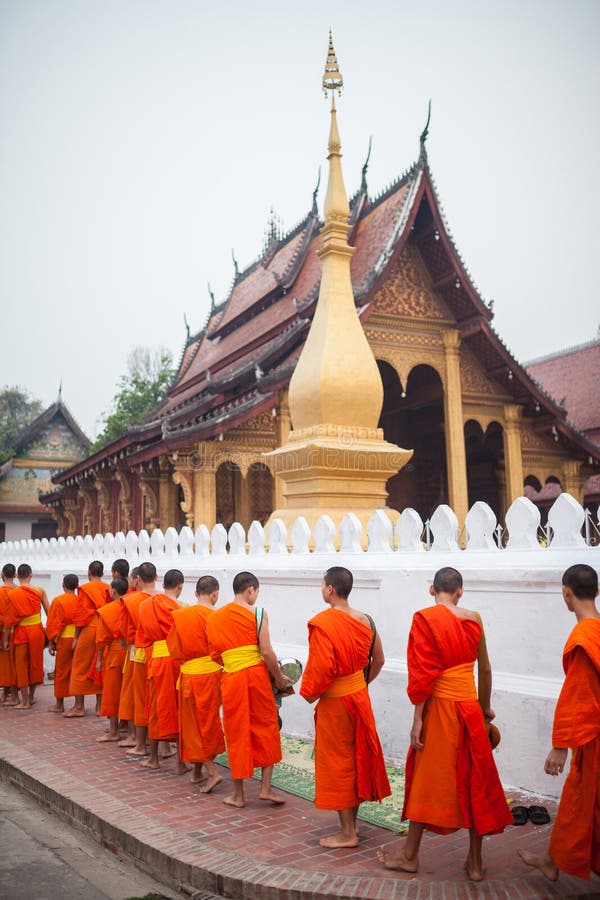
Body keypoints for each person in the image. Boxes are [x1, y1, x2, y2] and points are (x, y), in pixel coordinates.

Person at [378, 566, 512, 881]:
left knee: (426, 778)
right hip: (469, 709)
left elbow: (423, 674)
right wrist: (485, 708)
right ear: (460, 591)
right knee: (475, 780)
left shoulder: (425, 619)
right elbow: (486, 669)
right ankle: (476, 862)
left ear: (431, 590)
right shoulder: (474, 618)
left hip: (439, 710)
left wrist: (417, 719)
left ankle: (410, 855)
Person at [518, 563, 600, 882]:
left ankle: (554, 861)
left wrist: (560, 746)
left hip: (593, 737)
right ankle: (552, 860)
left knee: (581, 802)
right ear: (596, 591)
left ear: (566, 592)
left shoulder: (583, 637)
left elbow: (578, 694)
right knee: (583, 803)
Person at [299, 566, 391, 848]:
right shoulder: (366, 620)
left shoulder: (323, 624)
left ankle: (348, 833)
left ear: (330, 589)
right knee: (358, 757)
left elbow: (322, 668)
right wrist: (358, 685)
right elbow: (379, 660)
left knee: (338, 761)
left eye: (322, 584)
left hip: (337, 703)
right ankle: (352, 825)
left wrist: (308, 692)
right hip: (359, 698)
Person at [207, 571, 290, 808]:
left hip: (232, 677)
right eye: (256, 592)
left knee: (236, 731)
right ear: (250, 590)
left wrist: (235, 664)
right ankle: (265, 789)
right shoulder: (258, 613)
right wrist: (278, 677)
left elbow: (215, 654)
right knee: (266, 726)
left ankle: (238, 795)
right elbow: (266, 651)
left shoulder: (215, 618)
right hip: (256, 677)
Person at [167, 575, 225, 792]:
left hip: (192, 675)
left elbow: (174, 649)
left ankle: (212, 772)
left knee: (194, 726)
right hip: (213, 674)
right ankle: (197, 772)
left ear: (195, 593)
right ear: (215, 594)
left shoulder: (182, 615)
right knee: (209, 723)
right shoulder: (219, 616)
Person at [136, 568, 184, 771]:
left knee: (155, 707)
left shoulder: (146, 606)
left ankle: (154, 758)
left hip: (156, 659)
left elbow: (142, 638)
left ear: (163, 584)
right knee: (178, 707)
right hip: (175, 660)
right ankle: (181, 763)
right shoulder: (181, 608)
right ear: (180, 586)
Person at [115, 562, 155, 753]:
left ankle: (138, 741)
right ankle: (155, 741)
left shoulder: (130, 600)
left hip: (137, 651)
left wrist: (127, 645)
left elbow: (121, 630)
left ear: (138, 579)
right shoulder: (163, 600)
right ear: (156, 578)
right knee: (154, 696)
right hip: (158, 653)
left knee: (137, 696)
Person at [65, 560, 109, 717]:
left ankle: (79, 707)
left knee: (79, 665)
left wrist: (76, 636)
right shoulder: (108, 588)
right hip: (104, 628)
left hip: (89, 628)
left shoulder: (84, 588)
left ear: (89, 572)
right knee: (100, 666)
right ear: (103, 574)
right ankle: (99, 707)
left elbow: (81, 613)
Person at [2, 563, 49, 709]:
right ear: (30, 575)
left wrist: (5, 639)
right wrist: (51, 635)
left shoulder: (13, 594)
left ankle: (25, 701)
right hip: (36, 630)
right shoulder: (39, 590)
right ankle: (31, 696)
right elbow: (49, 612)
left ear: (18, 575)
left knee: (20, 665)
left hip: (21, 631)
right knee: (35, 663)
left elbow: (9, 621)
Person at [95, 576, 128, 742]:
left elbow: (102, 640)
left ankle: (114, 731)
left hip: (115, 653)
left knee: (113, 693)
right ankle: (128, 727)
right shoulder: (132, 605)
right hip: (130, 653)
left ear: (113, 591)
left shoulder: (108, 610)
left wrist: (99, 660)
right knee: (128, 691)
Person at [45, 574, 79, 713]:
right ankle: (78, 703)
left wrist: (51, 641)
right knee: (77, 670)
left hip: (64, 639)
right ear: (77, 586)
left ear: (63, 586)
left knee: (61, 671)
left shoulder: (58, 601)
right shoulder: (80, 600)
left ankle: (59, 704)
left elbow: (54, 623)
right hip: (78, 638)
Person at [0, 563, 18, 705]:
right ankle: (13, 692)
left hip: (4, 632)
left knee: (6, 664)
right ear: (16, 575)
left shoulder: (1, 592)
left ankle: (7, 693)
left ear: (2, 575)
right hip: (18, 631)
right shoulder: (20, 591)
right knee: (15, 663)